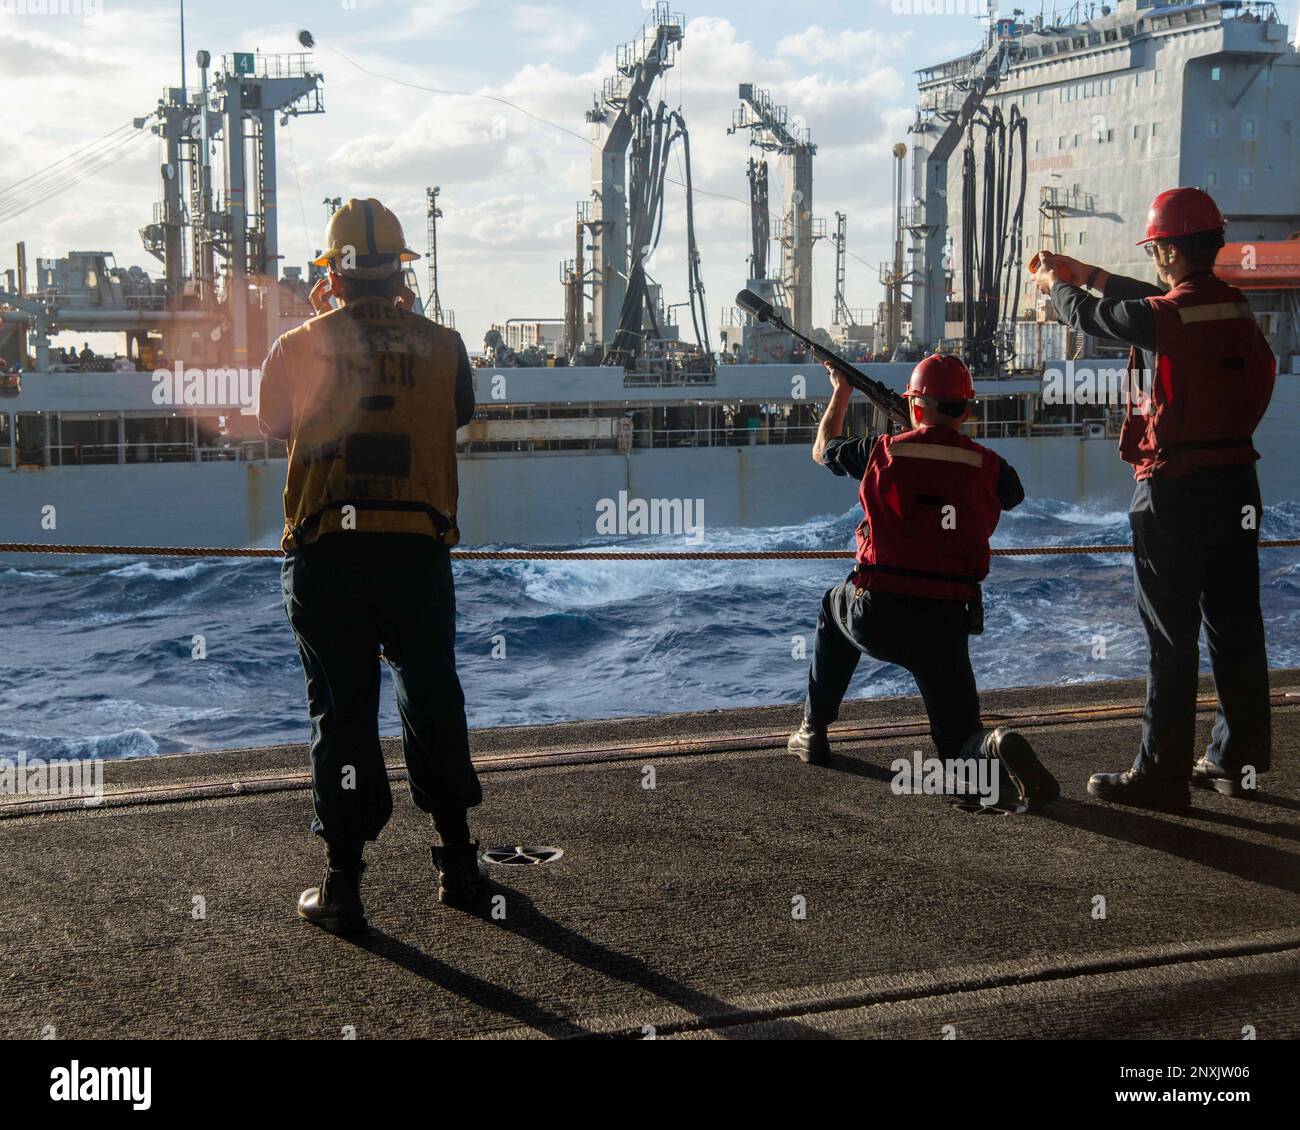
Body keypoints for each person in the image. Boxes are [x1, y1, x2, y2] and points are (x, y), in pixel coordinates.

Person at [258, 197, 486, 934]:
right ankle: (459, 865)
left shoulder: (298, 345)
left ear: (331, 274)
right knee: (432, 697)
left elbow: (272, 426)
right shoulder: (445, 344)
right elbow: (452, 414)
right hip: (416, 553)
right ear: (400, 274)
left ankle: (344, 885)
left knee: (342, 712)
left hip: (329, 558)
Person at [1036, 187, 1275, 812]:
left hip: (1174, 487)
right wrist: (1084, 274)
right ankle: (1236, 760)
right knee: (1236, 625)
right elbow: (1152, 301)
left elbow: (1101, 318)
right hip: (1236, 481)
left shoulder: (1168, 315)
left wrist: (1056, 289)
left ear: (1167, 249)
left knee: (1171, 633)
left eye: (1157, 249)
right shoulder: (1235, 307)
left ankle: (1162, 775)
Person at [787, 355, 1059, 811]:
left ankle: (813, 730)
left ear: (914, 406)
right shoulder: (990, 466)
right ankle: (993, 745)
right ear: (966, 410)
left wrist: (842, 390)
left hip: (878, 611)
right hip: (946, 620)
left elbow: (823, 448)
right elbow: (1010, 494)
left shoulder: (881, 450)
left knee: (833, 608)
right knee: (958, 747)